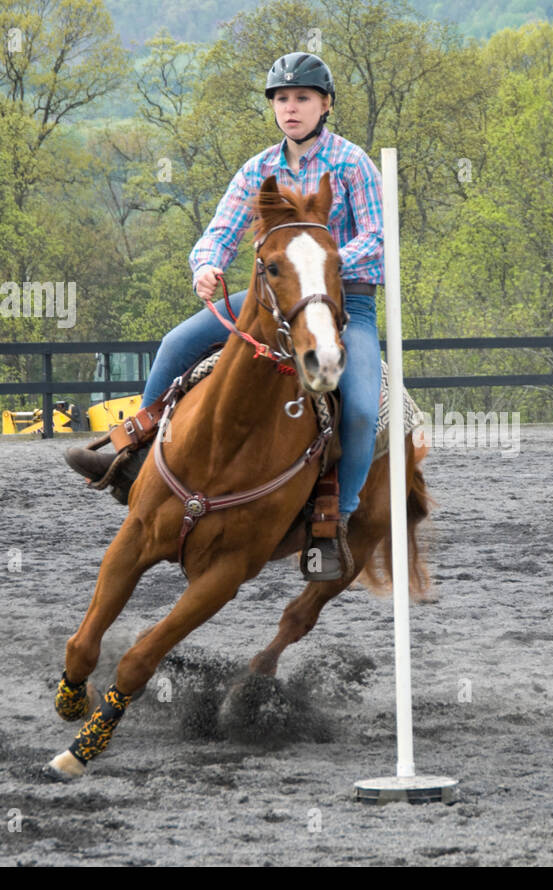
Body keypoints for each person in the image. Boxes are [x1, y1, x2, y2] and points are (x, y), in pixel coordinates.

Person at [65, 51, 384, 582]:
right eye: (282, 99)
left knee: (359, 411)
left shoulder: (354, 164)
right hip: (271, 300)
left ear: (326, 104)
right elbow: (220, 230)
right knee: (176, 343)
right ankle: (132, 456)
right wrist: (207, 266)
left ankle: (334, 520)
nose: (291, 107)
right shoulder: (258, 169)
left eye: (302, 98)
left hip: (345, 303)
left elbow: (375, 238)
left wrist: (316, 266)